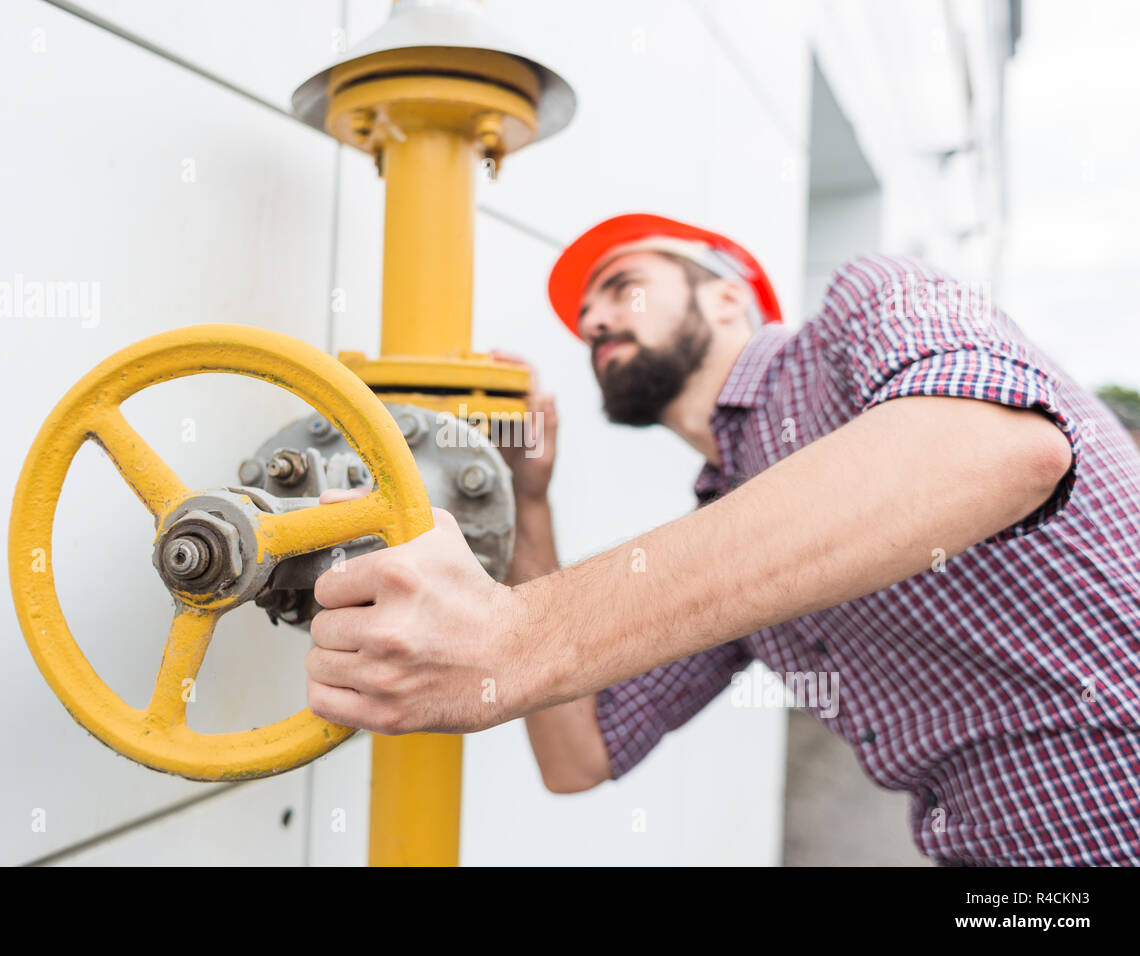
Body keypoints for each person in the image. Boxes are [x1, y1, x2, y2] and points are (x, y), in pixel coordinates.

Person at [307, 213, 1140, 866]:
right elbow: (579, 756)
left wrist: (517, 636)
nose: (594, 320)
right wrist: (529, 505)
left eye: (622, 286)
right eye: (583, 318)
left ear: (729, 297)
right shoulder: (729, 542)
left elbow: (997, 448)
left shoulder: (865, 305)